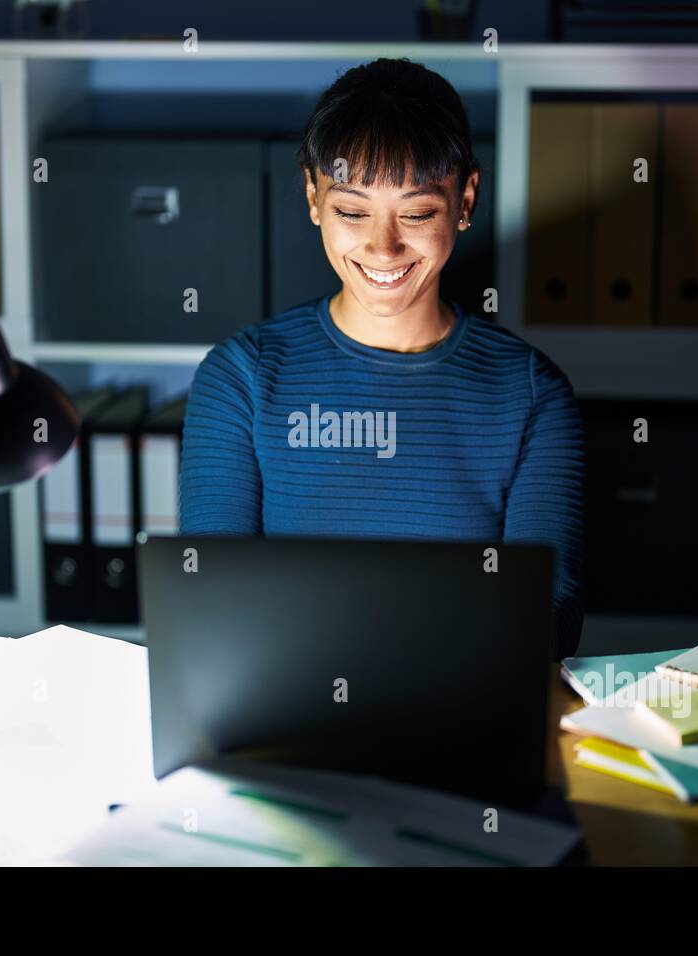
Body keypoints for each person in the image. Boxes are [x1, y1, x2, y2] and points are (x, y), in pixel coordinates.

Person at [180, 58, 585, 659]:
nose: (383, 247)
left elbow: (551, 613)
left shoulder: (531, 394)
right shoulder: (240, 378)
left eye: (417, 213)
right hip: (287, 711)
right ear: (314, 196)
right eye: (351, 211)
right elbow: (208, 596)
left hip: (459, 712)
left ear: (465, 199)